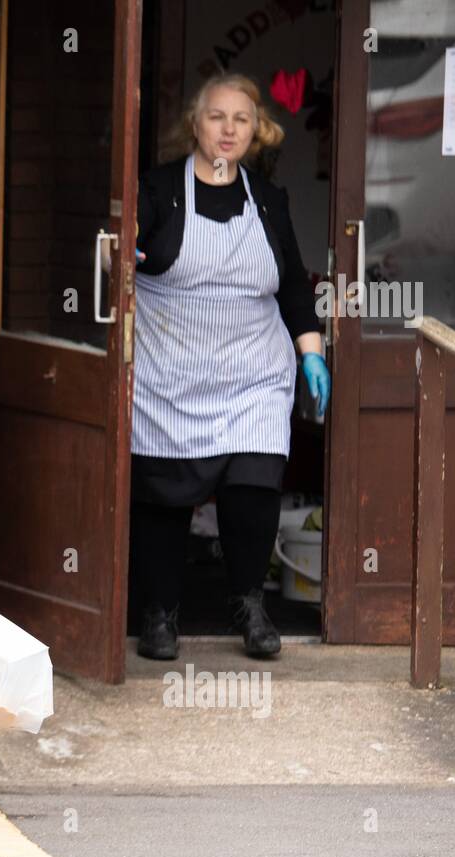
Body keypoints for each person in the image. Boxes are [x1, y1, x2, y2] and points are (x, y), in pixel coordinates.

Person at [128, 74, 330, 661]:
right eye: (217, 117)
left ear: (256, 129)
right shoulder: (159, 189)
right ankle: (160, 614)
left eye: (240, 119)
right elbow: (124, 254)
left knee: (253, 490)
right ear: (195, 123)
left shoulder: (269, 199)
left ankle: (250, 607)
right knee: (164, 500)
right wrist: (127, 250)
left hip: (253, 377)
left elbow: (293, 287)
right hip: (170, 376)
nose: (228, 129)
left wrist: (310, 354)